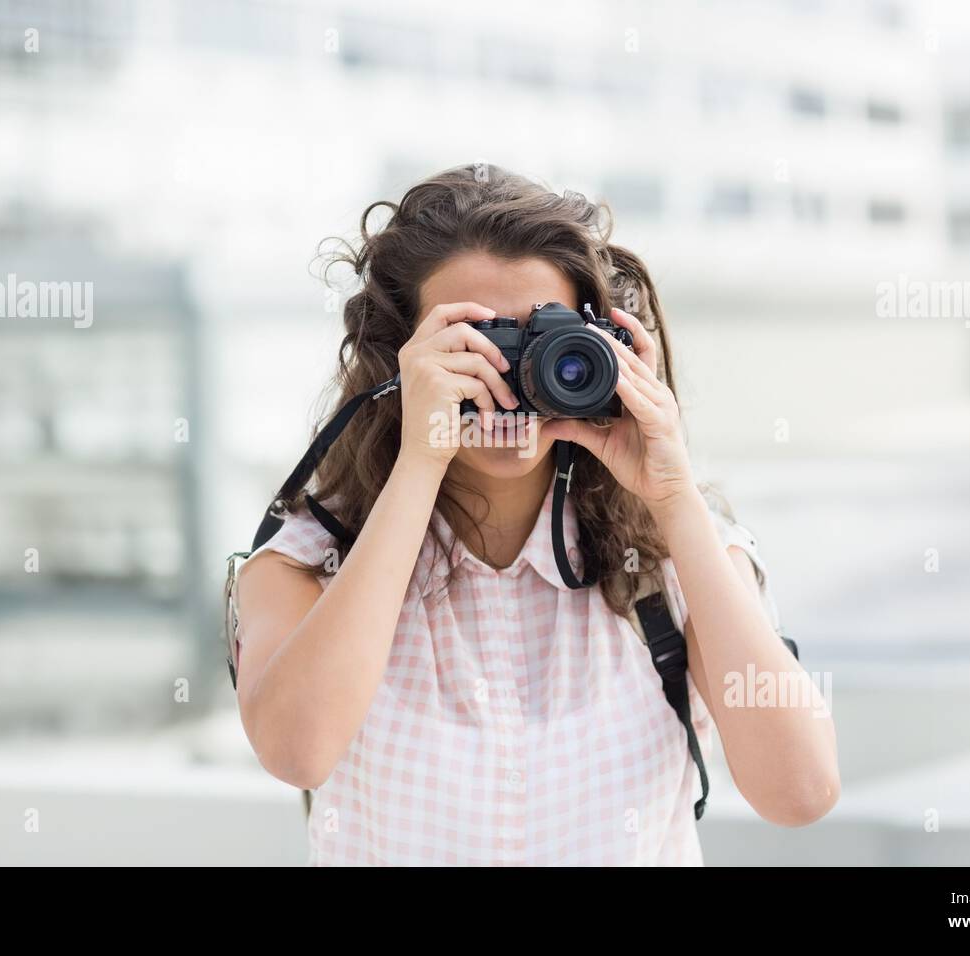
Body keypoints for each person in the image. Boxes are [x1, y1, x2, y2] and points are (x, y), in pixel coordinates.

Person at [232, 165, 839, 865]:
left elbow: (801, 793)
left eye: (540, 342)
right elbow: (297, 751)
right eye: (474, 347)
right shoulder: (307, 558)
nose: (510, 385)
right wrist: (421, 457)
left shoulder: (677, 559)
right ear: (397, 360)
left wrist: (673, 495)